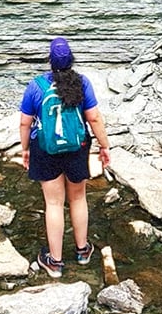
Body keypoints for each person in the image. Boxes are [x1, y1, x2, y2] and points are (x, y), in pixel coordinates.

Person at [19, 37, 111, 278]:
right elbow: (94, 118)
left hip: (45, 148)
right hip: (76, 147)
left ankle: (55, 262)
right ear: (71, 59)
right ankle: (82, 252)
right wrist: (105, 146)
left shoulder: (36, 86)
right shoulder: (82, 83)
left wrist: (25, 149)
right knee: (78, 198)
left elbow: (24, 123)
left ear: (50, 61)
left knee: (53, 204)